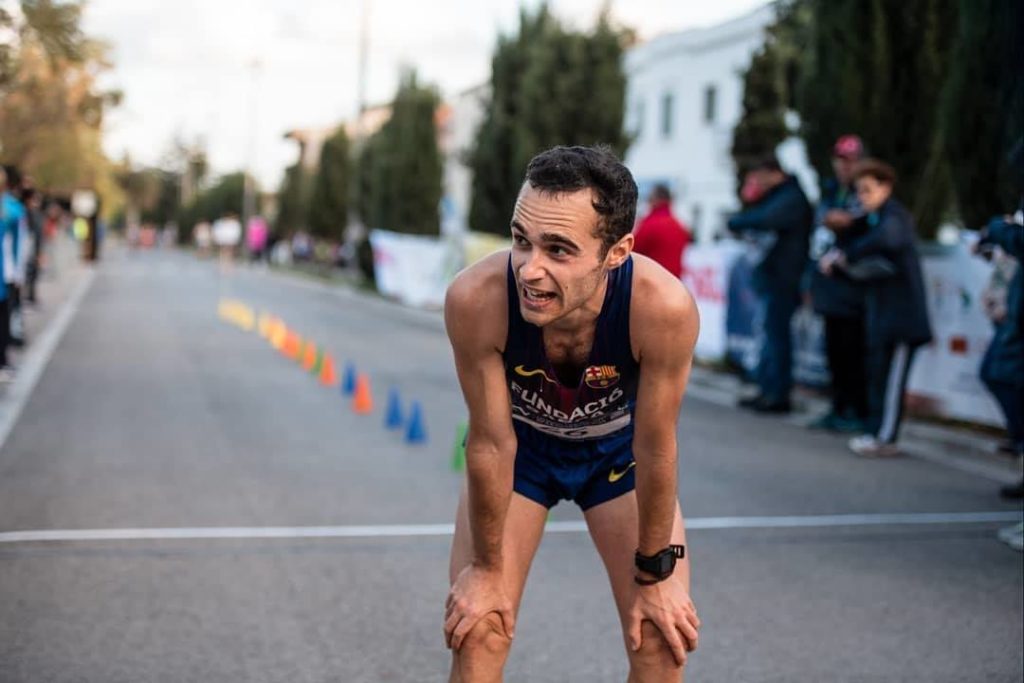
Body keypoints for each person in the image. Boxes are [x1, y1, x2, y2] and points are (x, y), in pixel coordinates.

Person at [443, 146, 701, 682]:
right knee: (480, 629)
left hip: (617, 458)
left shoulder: (661, 308)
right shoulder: (476, 298)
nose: (530, 269)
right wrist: (487, 570)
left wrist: (656, 574)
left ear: (617, 252)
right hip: (523, 456)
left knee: (660, 639)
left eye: (558, 250)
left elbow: (655, 448)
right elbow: (491, 443)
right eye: (521, 241)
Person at [820, 159, 932, 457]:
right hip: (882, 317)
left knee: (892, 384)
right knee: (877, 378)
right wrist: (841, 255)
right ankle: (875, 431)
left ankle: (885, 437)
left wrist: (847, 252)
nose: (862, 197)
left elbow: (887, 240)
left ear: (886, 187)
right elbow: (862, 263)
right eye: (859, 191)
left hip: (903, 321)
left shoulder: (895, 217)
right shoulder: (871, 221)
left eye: (868, 190)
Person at [728, 156, 813, 413]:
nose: (758, 183)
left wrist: (739, 220)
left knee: (777, 337)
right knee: (768, 335)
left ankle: (778, 394)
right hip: (772, 277)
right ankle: (767, 389)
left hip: (783, 279)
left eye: (760, 177)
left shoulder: (791, 198)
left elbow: (766, 218)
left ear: (773, 172)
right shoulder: (778, 196)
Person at [807, 135, 869, 432]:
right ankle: (838, 407)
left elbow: (868, 232)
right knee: (833, 351)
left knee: (852, 351)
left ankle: (857, 411)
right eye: (840, 160)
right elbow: (821, 232)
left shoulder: (866, 194)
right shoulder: (830, 191)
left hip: (853, 289)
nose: (844, 166)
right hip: (828, 285)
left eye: (850, 160)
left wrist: (848, 222)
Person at [632, 184, 692, 279]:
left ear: (656, 200)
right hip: (675, 282)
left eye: (650, 199)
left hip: (651, 282)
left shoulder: (650, 224)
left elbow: (632, 251)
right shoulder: (679, 226)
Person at [0, 165, 21, 382]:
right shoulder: (12, 209)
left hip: (4, 274)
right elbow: (17, 245)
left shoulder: (11, 209)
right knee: (4, 319)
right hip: (4, 274)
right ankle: (3, 362)